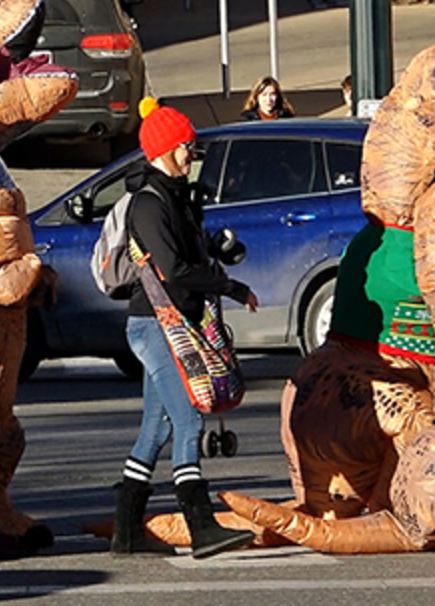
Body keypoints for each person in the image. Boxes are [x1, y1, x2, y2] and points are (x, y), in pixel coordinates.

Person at [110, 98, 260, 559]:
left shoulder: (177, 197)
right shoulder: (148, 205)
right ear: (161, 150)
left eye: (191, 147)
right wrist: (230, 286)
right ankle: (201, 526)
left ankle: (128, 531)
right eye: (183, 147)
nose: (189, 156)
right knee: (190, 417)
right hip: (155, 324)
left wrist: (219, 253)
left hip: (172, 320)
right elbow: (173, 272)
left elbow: (190, 260)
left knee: (155, 429)